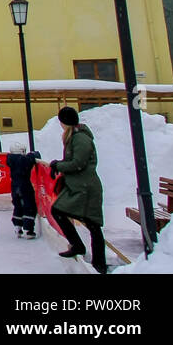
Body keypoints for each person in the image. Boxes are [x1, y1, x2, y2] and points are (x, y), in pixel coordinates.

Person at [49, 107, 107, 273]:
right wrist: (59, 164)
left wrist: (58, 165)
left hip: (86, 188)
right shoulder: (73, 137)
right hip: (79, 186)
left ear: (64, 122)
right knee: (60, 211)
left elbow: (78, 163)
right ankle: (79, 247)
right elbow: (75, 161)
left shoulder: (80, 138)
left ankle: (99, 264)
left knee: (93, 225)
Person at [6, 141, 41, 238]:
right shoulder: (23, 160)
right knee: (29, 206)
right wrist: (34, 154)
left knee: (18, 206)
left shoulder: (10, 159)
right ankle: (29, 230)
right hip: (25, 186)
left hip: (14, 186)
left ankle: (18, 226)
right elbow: (33, 157)